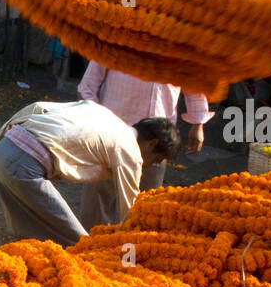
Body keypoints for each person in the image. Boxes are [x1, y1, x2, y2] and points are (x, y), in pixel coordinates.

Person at [0, 100, 179, 246]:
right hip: (24, 165)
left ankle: (20, 276)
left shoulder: (100, 111)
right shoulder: (130, 150)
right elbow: (129, 210)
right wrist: (131, 253)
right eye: (156, 160)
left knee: (29, 230)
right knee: (79, 243)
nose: (149, 165)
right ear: (152, 144)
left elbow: (37, 107)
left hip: (2, 151)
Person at [76, 61, 213, 226]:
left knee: (146, 207)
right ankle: (88, 245)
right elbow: (86, 88)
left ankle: (132, 248)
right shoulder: (117, 37)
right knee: (99, 200)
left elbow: (194, 81)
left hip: (158, 143)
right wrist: (98, 122)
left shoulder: (181, 45)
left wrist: (198, 123)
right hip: (111, 135)